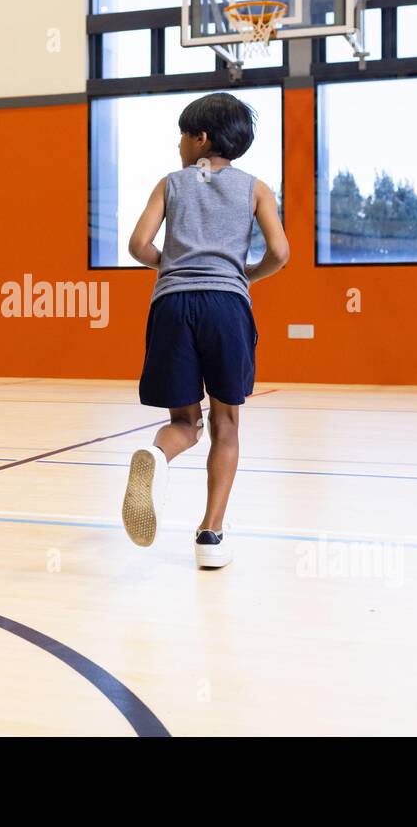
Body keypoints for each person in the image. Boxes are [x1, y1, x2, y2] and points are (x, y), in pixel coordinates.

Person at [121, 92, 290, 569]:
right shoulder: (255, 189)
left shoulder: (171, 183)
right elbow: (279, 253)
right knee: (227, 425)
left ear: (200, 138)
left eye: (181, 135)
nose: (177, 144)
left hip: (172, 306)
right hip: (227, 308)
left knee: (184, 423)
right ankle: (210, 536)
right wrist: (242, 276)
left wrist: (170, 265)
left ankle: (156, 457)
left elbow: (138, 245)